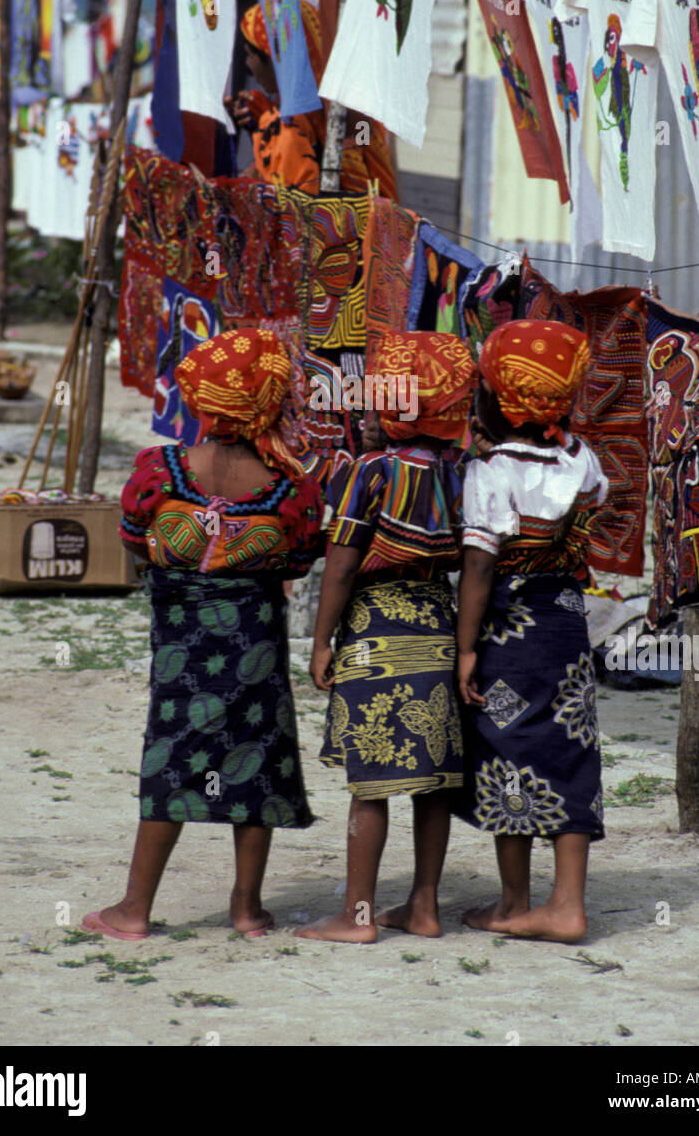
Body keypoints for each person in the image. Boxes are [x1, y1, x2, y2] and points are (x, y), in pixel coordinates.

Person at [83, 328, 324, 943]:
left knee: (170, 754)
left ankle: (134, 910)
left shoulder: (160, 472)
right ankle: (246, 910)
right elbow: (296, 561)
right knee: (257, 757)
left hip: (181, 648)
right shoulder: (289, 487)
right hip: (255, 645)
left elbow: (135, 538)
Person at [296, 330, 476, 943]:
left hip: (376, 632)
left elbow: (342, 564)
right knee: (432, 780)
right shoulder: (459, 473)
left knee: (370, 785)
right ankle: (424, 907)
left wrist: (322, 641)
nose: (369, 412)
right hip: (438, 630)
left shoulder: (371, 471)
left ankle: (358, 916)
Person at [455, 319, 608, 943]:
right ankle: (567, 904)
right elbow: (595, 500)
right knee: (570, 750)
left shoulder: (489, 470)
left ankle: (515, 903)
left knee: (507, 749)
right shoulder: (581, 458)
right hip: (566, 626)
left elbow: (479, 568)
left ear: (496, 395)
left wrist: (465, 649)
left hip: (510, 636)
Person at [226, 0, 398, 198]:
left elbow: (290, 203)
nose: (248, 65)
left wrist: (273, 124)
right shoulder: (348, 96)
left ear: (276, 59)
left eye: (250, 56)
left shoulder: (351, 111)